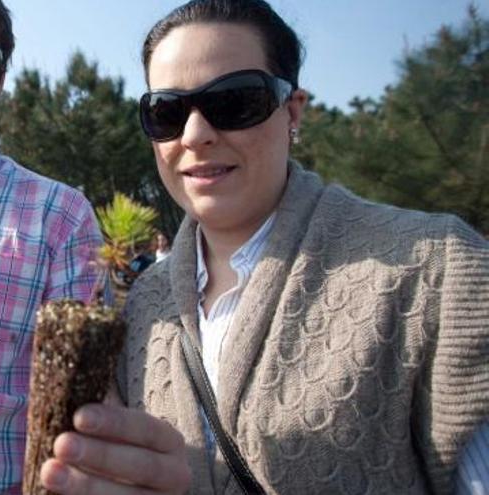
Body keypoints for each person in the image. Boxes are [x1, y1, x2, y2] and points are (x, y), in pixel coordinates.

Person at [57, 1, 488, 494]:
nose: (195, 135)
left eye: (235, 101)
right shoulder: (141, 306)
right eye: (167, 112)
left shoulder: (436, 268)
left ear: (293, 113)